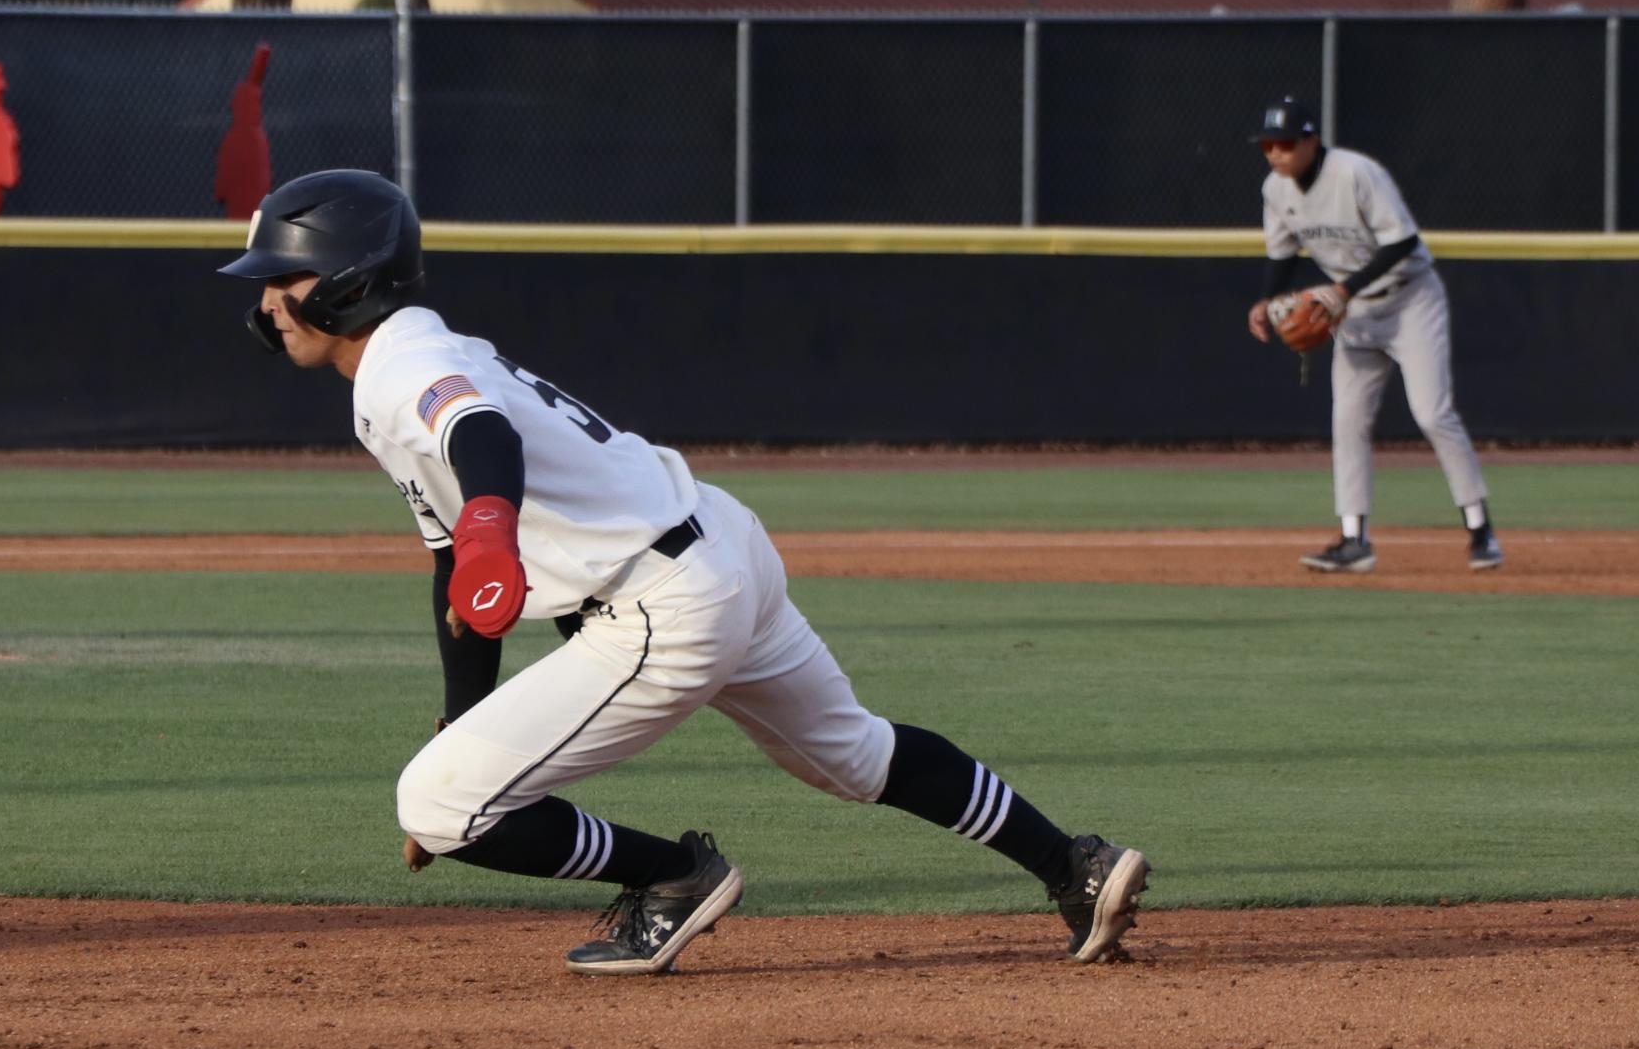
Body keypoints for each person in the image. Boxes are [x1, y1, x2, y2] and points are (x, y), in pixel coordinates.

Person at [219, 169, 1150, 976]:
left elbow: (480, 436)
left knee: (435, 801)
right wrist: (465, 715)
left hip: (661, 601)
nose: (265, 301)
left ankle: (671, 876)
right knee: (853, 754)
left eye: (282, 277)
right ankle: (1073, 863)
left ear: (347, 283)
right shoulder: (417, 357)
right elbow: (449, 557)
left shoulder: (404, 362)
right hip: (721, 543)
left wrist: (495, 526)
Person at [1243, 96, 1503, 574]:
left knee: (1431, 413)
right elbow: (1281, 255)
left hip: (1410, 300)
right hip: (1354, 312)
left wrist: (1343, 289)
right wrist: (1265, 300)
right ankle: (1353, 540)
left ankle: (1480, 529)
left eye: (1284, 143)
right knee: (1348, 421)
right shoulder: (1275, 190)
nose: (1275, 153)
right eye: (1267, 146)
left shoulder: (1355, 172)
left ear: (1310, 140)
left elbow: (1402, 241)